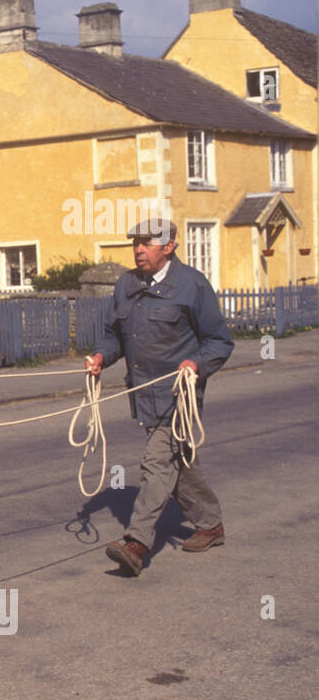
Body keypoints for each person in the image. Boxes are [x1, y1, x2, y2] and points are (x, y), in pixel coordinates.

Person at [85, 219, 234, 576]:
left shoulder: (192, 285)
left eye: (147, 244)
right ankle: (210, 525)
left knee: (155, 463)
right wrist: (102, 356)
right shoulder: (126, 284)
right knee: (177, 463)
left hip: (179, 395)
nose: (138, 249)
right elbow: (115, 336)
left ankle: (136, 544)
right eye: (135, 243)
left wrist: (195, 364)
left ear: (168, 247)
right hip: (144, 396)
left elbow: (220, 342)